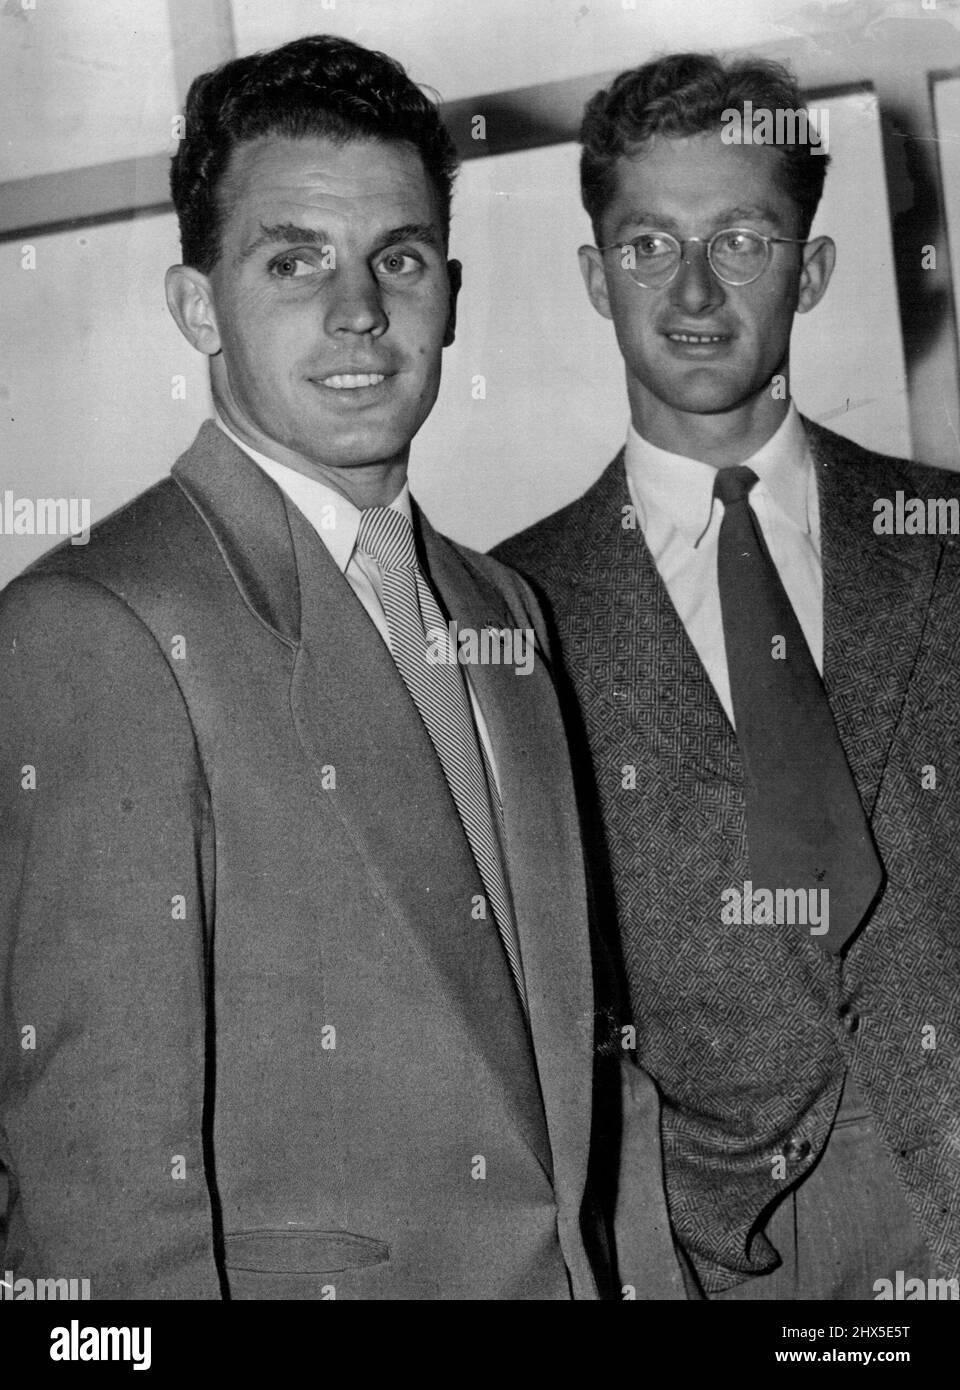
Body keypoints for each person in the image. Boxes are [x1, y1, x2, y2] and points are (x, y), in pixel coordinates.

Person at [0, 35, 683, 1301]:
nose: (359, 308)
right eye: (293, 257)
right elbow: (98, 1208)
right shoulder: (101, 625)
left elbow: (591, 1076)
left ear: (451, 295)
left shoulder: (503, 610)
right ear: (198, 303)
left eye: (399, 259)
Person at [496, 51, 960, 1299]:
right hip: (709, 1250)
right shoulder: (506, 614)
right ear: (598, 278)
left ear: (810, 270)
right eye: (648, 247)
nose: (693, 290)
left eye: (742, 241)